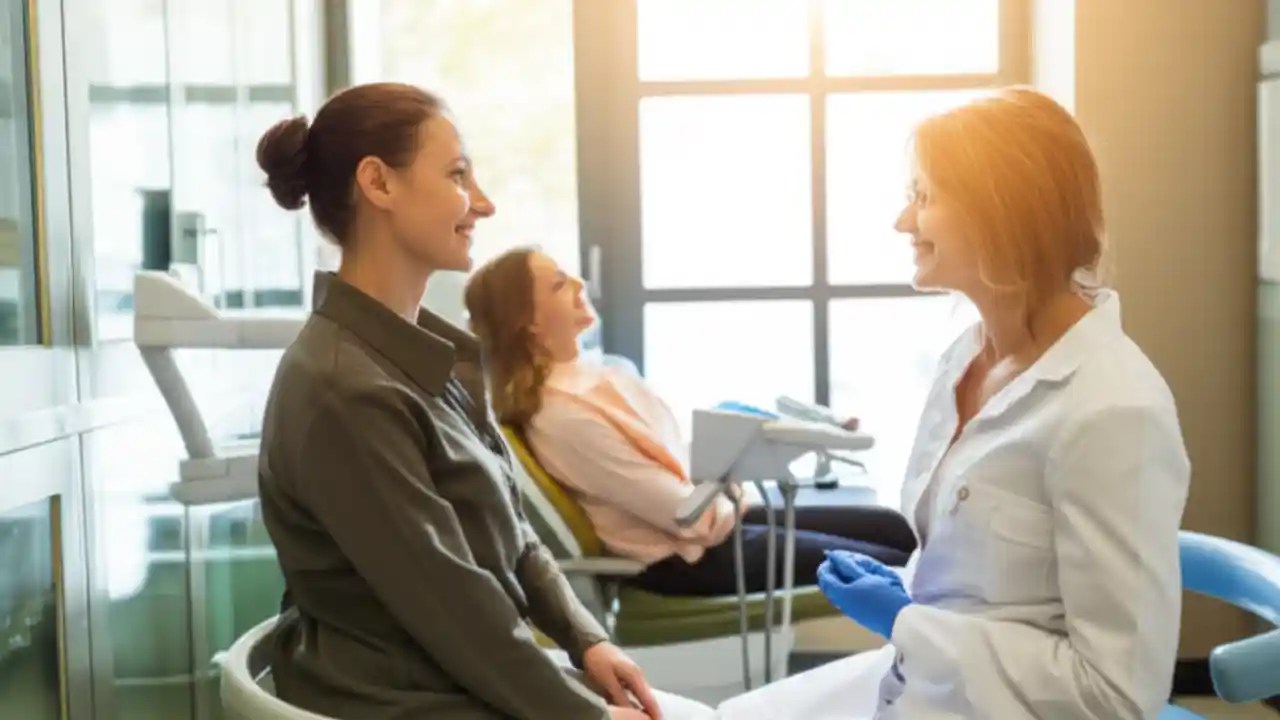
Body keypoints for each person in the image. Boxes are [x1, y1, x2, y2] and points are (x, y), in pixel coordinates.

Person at [714, 87, 1191, 719]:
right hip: (922, 688)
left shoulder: (1114, 412)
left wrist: (909, 622)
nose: (903, 222)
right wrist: (907, 593)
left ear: (1002, 213)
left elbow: (1115, 694)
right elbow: (982, 581)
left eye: (925, 197)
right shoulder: (967, 360)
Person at [253, 82, 708, 720]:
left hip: (453, 674)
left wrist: (586, 638)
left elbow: (511, 534)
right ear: (378, 184)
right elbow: (454, 605)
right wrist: (588, 716)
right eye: (459, 174)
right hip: (405, 699)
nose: (484, 204)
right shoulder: (343, 391)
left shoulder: (427, 362)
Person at [463, 249, 917, 598]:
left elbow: (680, 466)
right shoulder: (561, 417)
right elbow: (688, 519)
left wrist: (729, 466)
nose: (580, 282)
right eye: (560, 284)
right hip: (684, 559)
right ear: (529, 324)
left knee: (893, 527)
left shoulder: (596, 377)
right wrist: (734, 483)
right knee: (895, 563)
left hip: (714, 523)